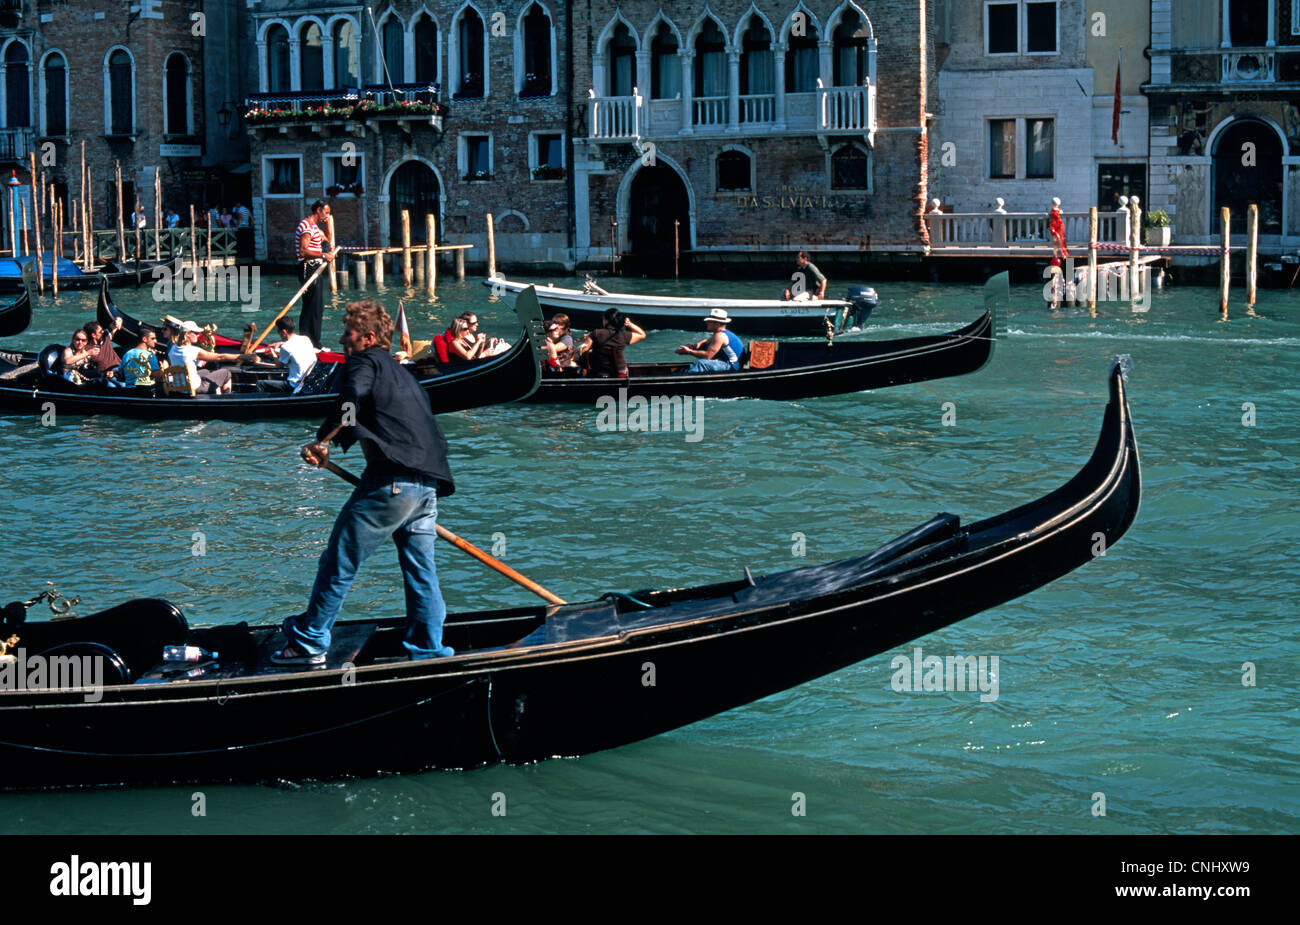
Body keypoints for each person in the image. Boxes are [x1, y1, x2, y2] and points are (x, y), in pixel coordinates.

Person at [274, 300, 456, 665]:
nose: (342, 339)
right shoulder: (406, 375)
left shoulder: (364, 360)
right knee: (421, 573)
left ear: (369, 337)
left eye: (348, 334)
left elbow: (351, 397)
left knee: (338, 561)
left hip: (391, 483)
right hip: (426, 488)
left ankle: (308, 643)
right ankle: (428, 649)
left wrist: (322, 441)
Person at [296, 199, 339, 349]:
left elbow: (327, 238)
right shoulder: (306, 226)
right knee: (312, 306)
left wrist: (328, 222)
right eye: (326, 212)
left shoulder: (314, 227)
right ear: (318, 210)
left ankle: (310, 341)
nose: (327, 215)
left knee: (315, 306)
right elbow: (303, 251)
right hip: (308, 268)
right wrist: (323, 255)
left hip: (314, 268)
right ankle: (312, 343)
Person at [168, 320, 232, 394]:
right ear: (187, 333)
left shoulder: (173, 348)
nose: (198, 335)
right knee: (226, 373)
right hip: (195, 388)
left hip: (179, 386)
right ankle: (226, 397)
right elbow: (220, 357)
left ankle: (216, 390)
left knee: (206, 372)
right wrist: (242, 357)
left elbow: (184, 360)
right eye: (196, 333)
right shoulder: (192, 350)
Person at [578, 308, 646, 377]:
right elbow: (642, 335)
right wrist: (630, 324)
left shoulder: (596, 333)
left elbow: (582, 351)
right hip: (621, 376)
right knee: (623, 385)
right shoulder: (624, 335)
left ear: (606, 320)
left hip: (600, 374)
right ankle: (623, 388)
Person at [259, 317, 318, 393]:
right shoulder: (305, 338)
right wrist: (281, 343)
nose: (278, 334)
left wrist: (273, 353)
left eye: (278, 331)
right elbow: (295, 345)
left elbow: (279, 366)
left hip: (294, 385)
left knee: (260, 384)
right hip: (308, 379)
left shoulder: (285, 347)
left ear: (284, 331)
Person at [676, 309, 743, 373]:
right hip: (727, 362)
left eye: (709, 321)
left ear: (717, 324)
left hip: (732, 366)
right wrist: (694, 346)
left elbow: (707, 356)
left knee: (702, 363)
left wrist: (689, 351)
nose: (707, 323)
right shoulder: (721, 334)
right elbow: (706, 341)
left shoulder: (719, 336)